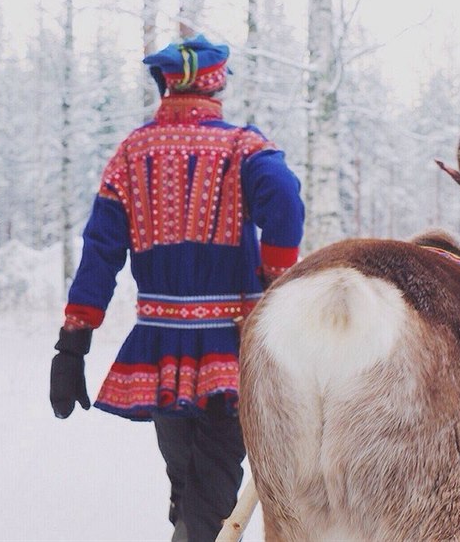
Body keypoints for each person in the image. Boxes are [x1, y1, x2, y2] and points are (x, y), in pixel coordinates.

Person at [49, 34, 304, 542]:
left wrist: (73, 344)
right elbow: (285, 200)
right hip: (230, 345)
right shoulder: (242, 147)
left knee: (188, 484)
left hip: (160, 348)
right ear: (216, 87)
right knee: (209, 490)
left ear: (165, 85)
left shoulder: (132, 152)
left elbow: (101, 250)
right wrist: (274, 281)